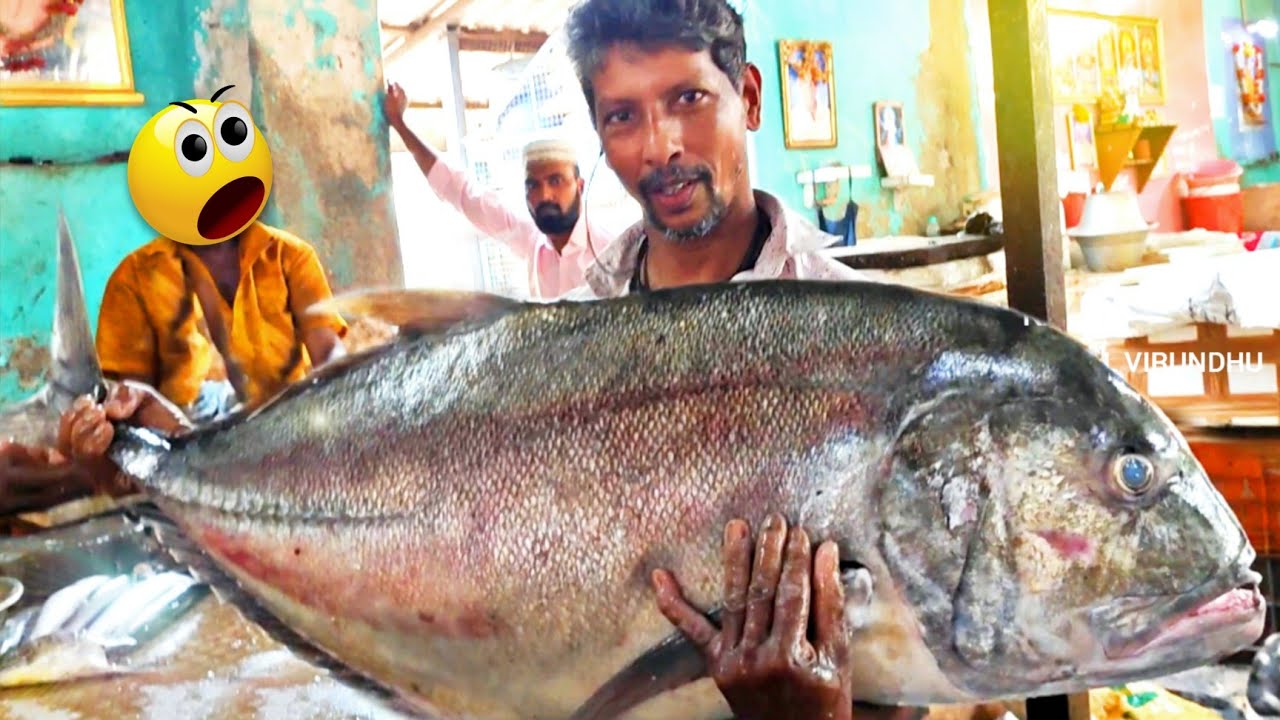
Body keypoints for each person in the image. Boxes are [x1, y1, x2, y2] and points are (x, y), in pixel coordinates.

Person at [559, 0, 867, 300]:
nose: (660, 149)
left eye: (690, 98)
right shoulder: (575, 329)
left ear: (750, 99)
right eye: (622, 116)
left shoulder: (864, 320)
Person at [384, 81, 626, 300]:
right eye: (533, 185)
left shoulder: (613, 255)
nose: (544, 196)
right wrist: (399, 125)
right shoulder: (531, 239)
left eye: (556, 181)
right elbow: (458, 189)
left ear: (579, 186)